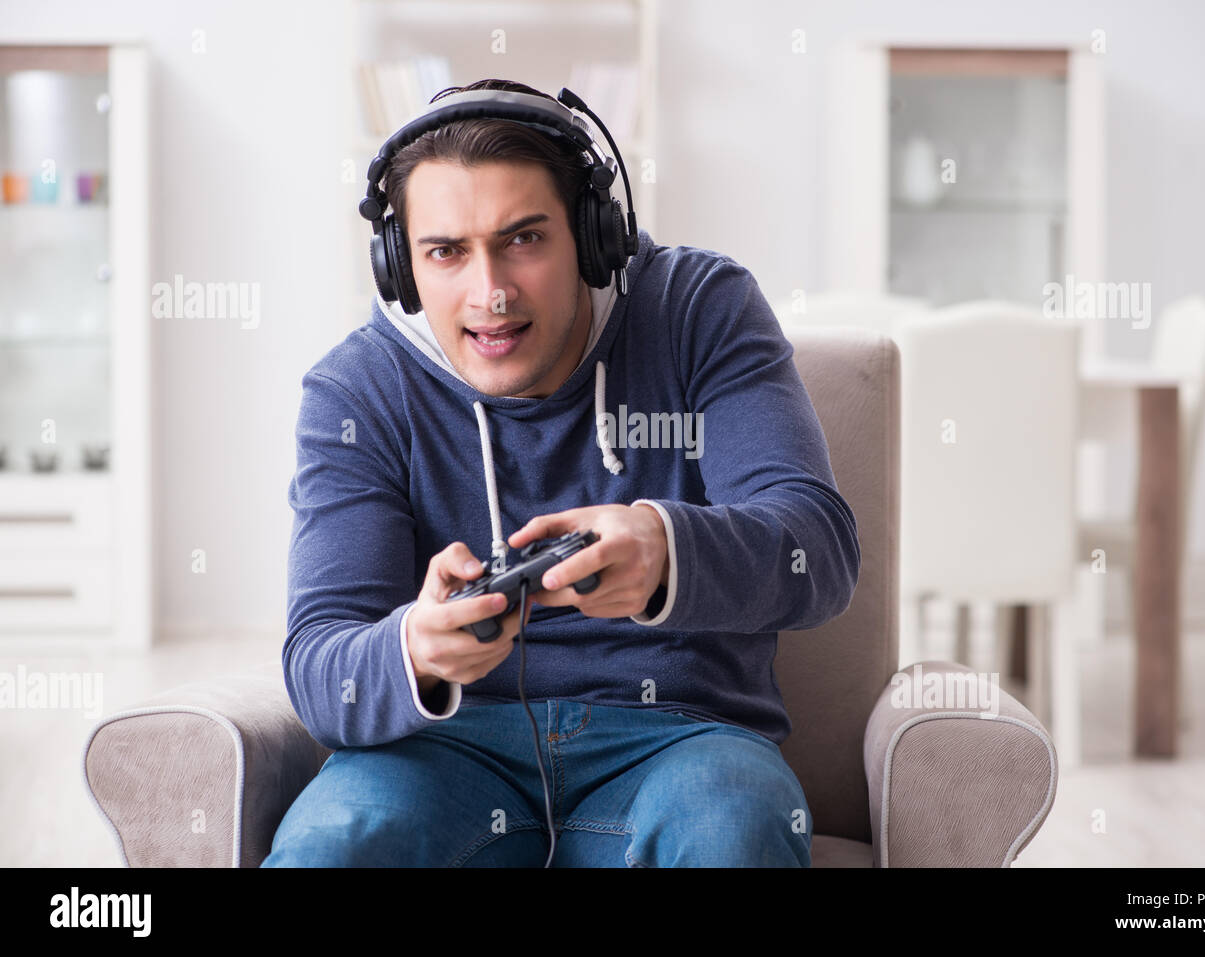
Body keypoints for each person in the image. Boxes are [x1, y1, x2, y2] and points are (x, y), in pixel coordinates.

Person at [262, 79, 860, 868]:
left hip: (677, 739)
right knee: (330, 846)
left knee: (730, 827)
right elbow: (319, 663)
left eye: (525, 239)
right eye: (445, 252)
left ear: (593, 232)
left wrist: (667, 548)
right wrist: (416, 646)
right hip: (444, 749)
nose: (492, 294)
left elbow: (817, 550)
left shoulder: (699, 310)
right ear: (400, 267)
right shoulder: (359, 388)